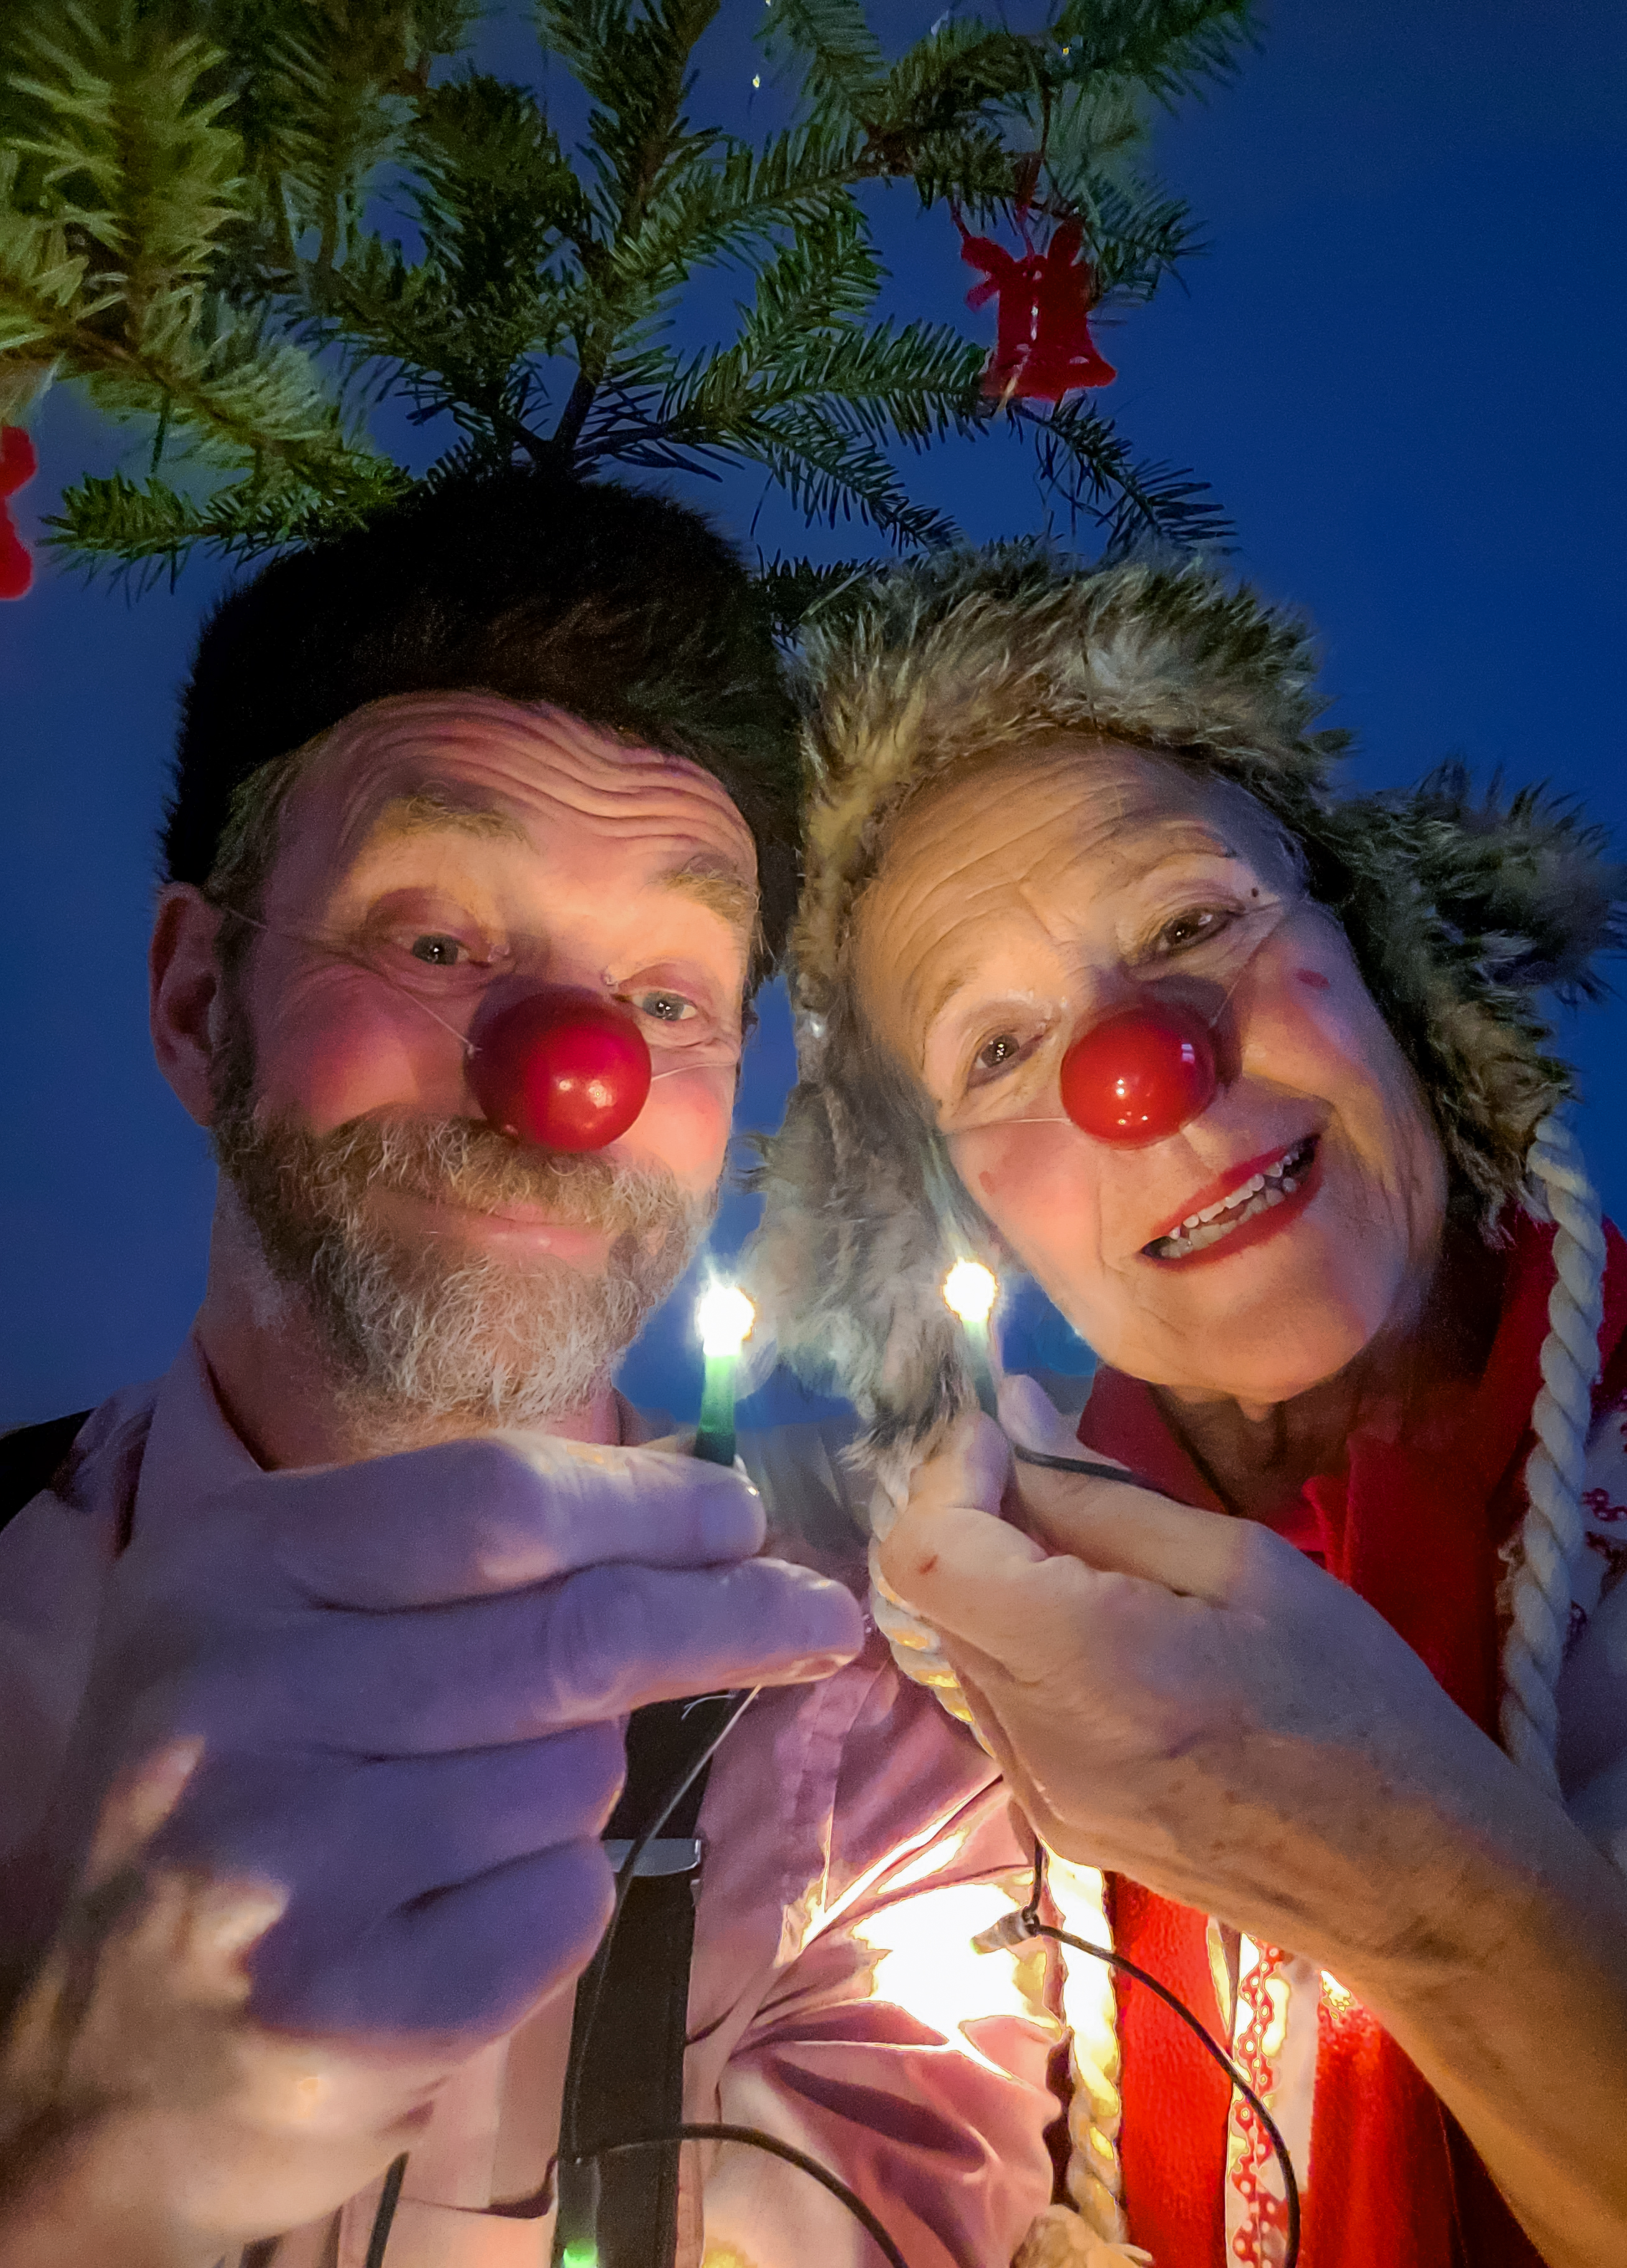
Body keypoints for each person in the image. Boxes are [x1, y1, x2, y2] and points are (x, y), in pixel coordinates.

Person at [0, 482, 1058, 2268]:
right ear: (198, 1004)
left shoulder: (877, 1786)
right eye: (438, 945)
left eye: (667, 997)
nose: (572, 1076)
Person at [748, 548, 1627, 2268]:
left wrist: (1406, 1872)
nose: (1142, 1073)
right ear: (963, 1213)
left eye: (1190, 923)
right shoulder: (918, 1663)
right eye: (997, 1050)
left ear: (1378, 953)